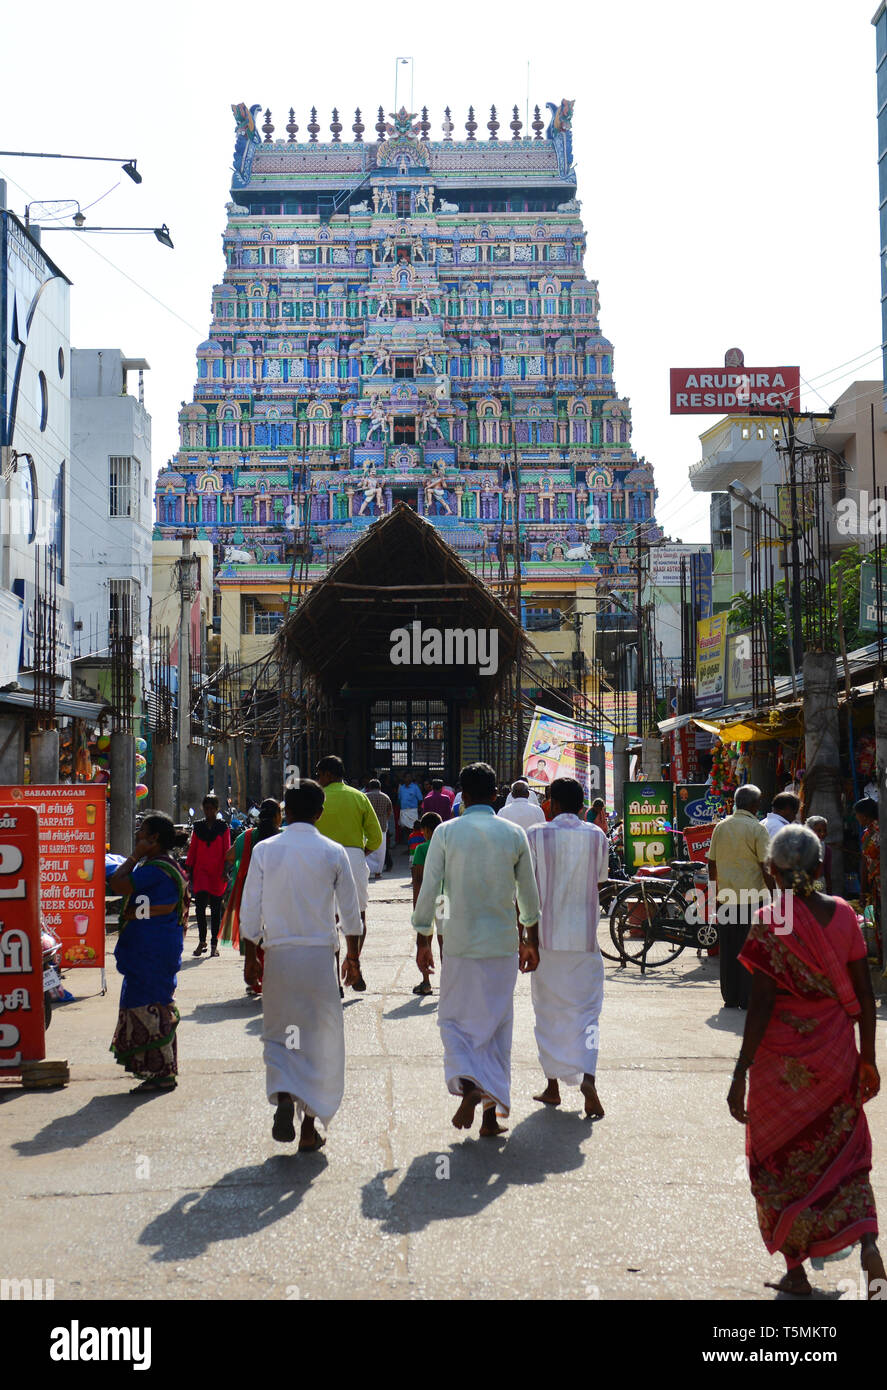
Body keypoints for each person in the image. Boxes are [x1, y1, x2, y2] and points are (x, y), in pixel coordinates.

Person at [728, 825, 885, 1297]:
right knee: (847, 1152)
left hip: (781, 1067)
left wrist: (740, 1073)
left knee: (776, 1158)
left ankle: (795, 1270)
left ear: (772, 871)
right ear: (819, 868)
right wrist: (868, 1060)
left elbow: (760, 1007)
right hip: (836, 1057)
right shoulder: (842, 914)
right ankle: (870, 1245)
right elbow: (864, 996)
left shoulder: (769, 920)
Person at [412, 762, 541, 1136]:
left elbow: (432, 890)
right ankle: (488, 1117)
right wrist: (530, 939)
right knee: (497, 1025)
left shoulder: (447, 833)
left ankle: (468, 1085)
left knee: (454, 1020)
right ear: (495, 794)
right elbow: (528, 896)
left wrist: (424, 938)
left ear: (462, 796)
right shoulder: (514, 834)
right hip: (502, 943)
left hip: (458, 943)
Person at [240, 781, 364, 1152]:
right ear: (320, 813)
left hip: (278, 956)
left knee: (281, 1032)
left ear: (286, 812)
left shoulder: (265, 850)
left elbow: (249, 912)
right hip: (319, 959)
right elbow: (351, 914)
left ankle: (283, 1094)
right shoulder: (333, 852)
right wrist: (353, 958)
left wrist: (251, 956)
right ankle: (309, 1125)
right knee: (317, 1039)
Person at [525, 778, 609, 1118]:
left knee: (548, 1013)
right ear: (580, 805)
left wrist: (524, 938)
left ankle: (553, 1086)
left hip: (545, 940)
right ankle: (588, 1076)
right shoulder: (597, 836)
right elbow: (600, 881)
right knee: (588, 1013)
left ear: (554, 803)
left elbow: (525, 889)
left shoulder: (535, 835)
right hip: (584, 940)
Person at [107, 812, 188, 1095]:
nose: (138, 835)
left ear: (153, 840)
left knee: (149, 1003)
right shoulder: (166, 866)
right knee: (153, 1001)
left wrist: (133, 856)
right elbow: (153, 906)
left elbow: (118, 883)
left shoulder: (155, 869)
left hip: (152, 950)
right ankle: (158, 1070)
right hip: (155, 946)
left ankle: (162, 1072)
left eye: (142, 833)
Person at [314, 755, 383, 991]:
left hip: (321, 858)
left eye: (320, 774)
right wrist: (362, 851)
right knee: (358, 914)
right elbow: (376, 837)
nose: (318, 779)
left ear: (329, 775)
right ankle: (354, 962)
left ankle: (335, 978)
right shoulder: (359, 797)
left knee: (328, 919)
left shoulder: (317, 798)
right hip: (353, 857)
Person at [707, 784, 774, 1010]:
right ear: (755, 805)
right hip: (752, 899)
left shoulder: (721, 827)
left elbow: (711, 863)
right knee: (751, 949)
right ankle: (747, 998)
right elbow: (766, 866)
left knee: (728, 949)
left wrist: (714, 892)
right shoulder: (757, 829)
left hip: (726, 899)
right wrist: (776, 896)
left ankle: (731, 997)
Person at [220, 797, 282, 994]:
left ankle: (254, 980)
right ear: (277, 816)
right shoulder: (281, 836)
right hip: (277, 892)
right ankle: (269, 977)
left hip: (250, 889)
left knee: (254, 933)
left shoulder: (246, 837)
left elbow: (229, 856)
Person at [185, 794, 231, 958]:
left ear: (216, 809)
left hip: (217, 873)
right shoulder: (197, 827)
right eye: (206, 808)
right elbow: (193, 851)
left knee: (216, 910)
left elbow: (228, 850)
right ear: (203, 809)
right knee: (199, 908)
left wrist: (226, 870)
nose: (208, 811)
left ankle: (213, 944)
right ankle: (202, 940)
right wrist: (189, 872)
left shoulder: (223, 827)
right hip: (201, 872)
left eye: (211, 808)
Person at [411, 812, 443, 995]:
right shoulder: (447, 847)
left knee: (424, 940)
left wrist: (417, 907)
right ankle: (448, 982)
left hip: (427, 899)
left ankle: (426, 981)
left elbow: (418, 880)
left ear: (426, 830)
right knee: (444, 940)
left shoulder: (422, 849)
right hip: (443, 899)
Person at [364, 779, 393, 881]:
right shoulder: (386, 797)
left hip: (367, 826)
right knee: (381, 850)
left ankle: (367, 871)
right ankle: (378, 873)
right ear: (380, 787)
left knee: (367, 849)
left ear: (370, 787)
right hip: (382, 826)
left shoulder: (365, 797)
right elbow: (389, 811)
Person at [805, 815, 832, 894]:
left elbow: (827, 874)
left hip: (819, 885)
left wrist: (830, 895)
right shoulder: (801, 847)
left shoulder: (826, 849)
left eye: (824, 830)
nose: (822, 833)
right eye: (818, 830)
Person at [398, 771, 424, 840]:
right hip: (404, 810)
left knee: (413, 828)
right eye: (407, 777)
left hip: (412, 810)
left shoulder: (415, 787)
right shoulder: (401, 788)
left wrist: (418, 808)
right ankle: (407, 842)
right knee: (404, 828)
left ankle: (413, 841)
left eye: (410, 777)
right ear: (404, 778)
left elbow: (420, 799)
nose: (408, 779)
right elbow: (399, 799)